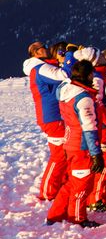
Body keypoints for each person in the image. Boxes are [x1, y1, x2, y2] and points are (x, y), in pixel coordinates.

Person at [46, 59, 104, 228]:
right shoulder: (83, 99)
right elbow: (89, 127)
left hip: (69, 141)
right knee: (83, 183)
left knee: (72, 181)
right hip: (82, 145)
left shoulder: (65, 90)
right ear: (88, 75)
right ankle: (78, 217)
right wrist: (96, 153)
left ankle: (55, 214)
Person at [24, 42, 69, 202]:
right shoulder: (40, 68)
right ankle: (48, 191)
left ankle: (58, 185)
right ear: (35, 53)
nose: (46, 48)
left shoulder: (40, 67)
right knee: (59, 155)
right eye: (42, 47)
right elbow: (63, 75)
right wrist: (68, 58)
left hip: (53, 115)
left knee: (63, 152)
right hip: (52, 116)